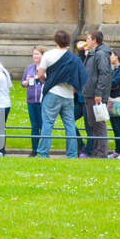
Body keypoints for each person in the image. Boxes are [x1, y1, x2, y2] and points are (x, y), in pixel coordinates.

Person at [35, 30, 82, 158]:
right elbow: (79, 78)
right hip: (68, 95)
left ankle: (43, 153)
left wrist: (48, 81)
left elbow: (40, 74)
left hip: (53, 92)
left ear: (55, 41)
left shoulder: (49, 55)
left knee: (48, 123)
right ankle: (72, 154)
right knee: (70, 124)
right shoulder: (74, 58)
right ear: (68, 42)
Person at [82, 29, 112, 159]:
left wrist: (99, 92)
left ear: (94, 40)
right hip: (90, 93)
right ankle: (96, 151)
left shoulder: (101, 54)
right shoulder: (94, 53)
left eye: (88, 38)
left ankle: (101, 153)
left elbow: (104, 73)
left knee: (98, 123)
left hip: (96, 94)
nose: (86, 41)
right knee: (92, 123)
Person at [21, 46, 44, 156]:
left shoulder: (45, 68)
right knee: (34, 126)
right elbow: (23, 82)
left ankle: (42, 149)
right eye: (34, 54)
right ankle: (34, 149)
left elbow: (48, 82)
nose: (35, 56)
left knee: (42, 125)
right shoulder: (29, 68)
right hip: (31, 100)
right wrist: (25, 82)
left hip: (42, 100)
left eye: (37, 54)